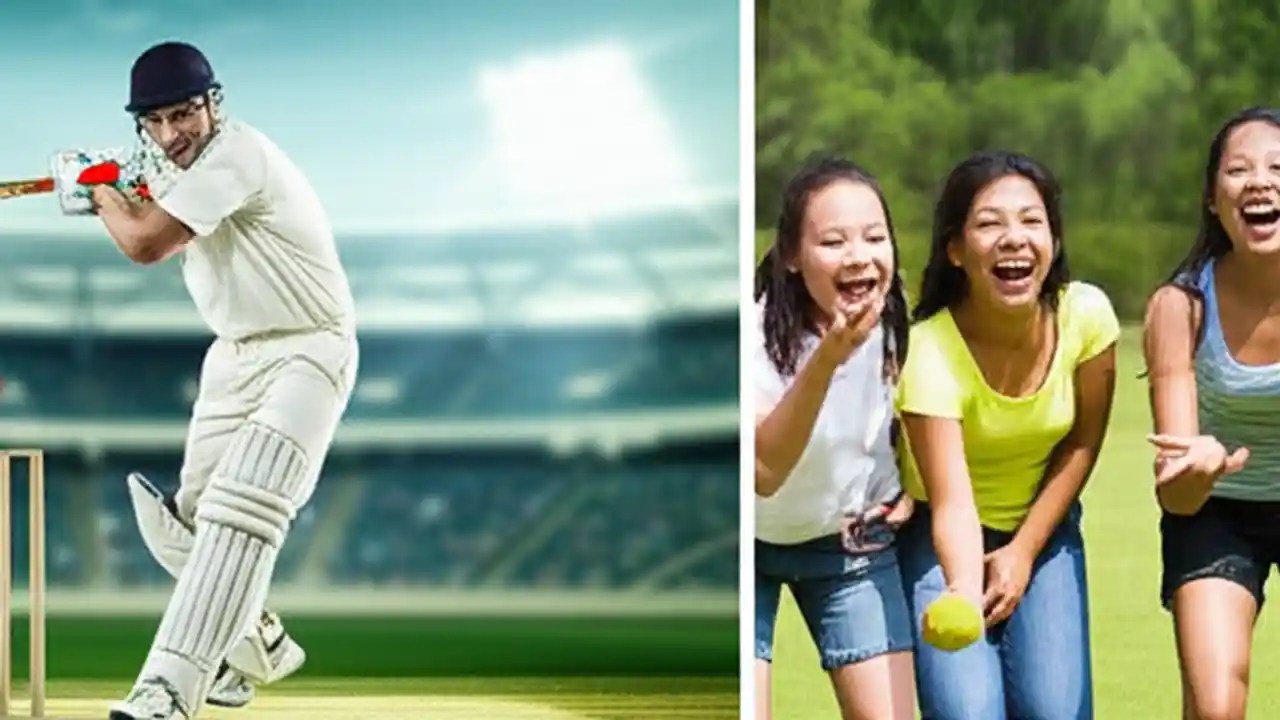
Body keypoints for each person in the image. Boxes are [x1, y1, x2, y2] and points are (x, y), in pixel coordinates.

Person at [87, 41, 359, 720]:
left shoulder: (239, 153)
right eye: (155, 122)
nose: (172, 134)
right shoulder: (178, 170)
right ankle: (250, 652)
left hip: (309, 347)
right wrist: (119, 188)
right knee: (186, 525)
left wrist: (98, 195)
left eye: (184, 115)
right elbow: (148, 205)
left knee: (243, 511)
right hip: (232, 358)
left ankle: (167, 691)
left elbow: (146, 243)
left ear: (213, 105)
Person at [894, 150, 1118, 719]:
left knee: (1055, 710)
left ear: (1055, 241)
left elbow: (1082, 444)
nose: (1013, 238)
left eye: (1031, 220)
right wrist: (967, 587)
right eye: (989, 223)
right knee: (969, 711)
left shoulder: (1087, 318)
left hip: (1043, 526)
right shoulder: (930, 351)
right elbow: (950, 502)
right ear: (955, 249)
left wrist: (1022, 552)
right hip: (939, 535)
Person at [753, 155, 916, 720]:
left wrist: (912, 485)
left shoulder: (896, 320)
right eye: (834, 241)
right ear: (793, 257)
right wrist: (827, 359)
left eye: (875, 237)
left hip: (849, 547)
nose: (859, 256)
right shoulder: (751, 336)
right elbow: (764, 473)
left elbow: (911, 415)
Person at [1143, 106, 1280, 720]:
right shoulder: (1180, 308)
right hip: (1217, 512)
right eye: (1240, 169)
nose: (1260, 182)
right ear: (1211, 198)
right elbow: (1178, 500)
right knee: (1217, 705)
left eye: (1278, 168)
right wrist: (1199, 463)